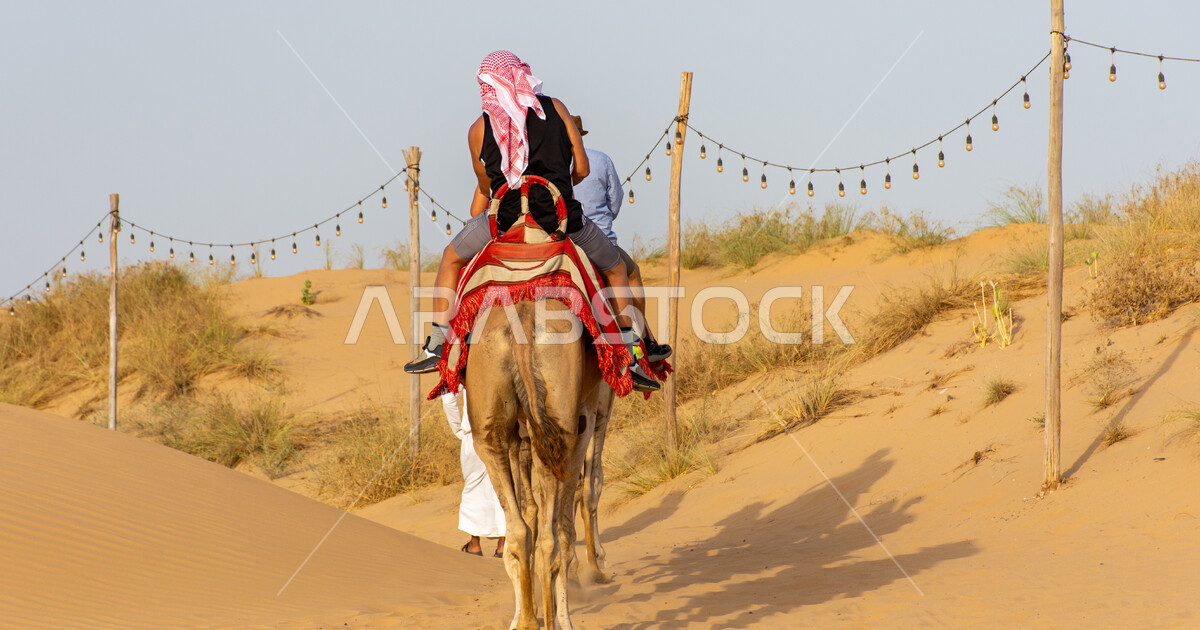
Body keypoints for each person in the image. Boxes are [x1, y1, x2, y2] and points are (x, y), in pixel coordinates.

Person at [404, 50, 658, 392]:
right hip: (562, 222)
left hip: (503, 226)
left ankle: (436, 344)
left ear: (487, 84)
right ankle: (631, 352)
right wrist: (558, 187)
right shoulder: (556, 108)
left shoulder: (478, 128)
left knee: (451, 259)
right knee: (615, 270)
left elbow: (484, 188)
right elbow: (581, 169)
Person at [569, 115, 671, 363]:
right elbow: (615, 204)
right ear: (581, 135)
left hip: (561, 239)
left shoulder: (549, 163)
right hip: (598, 240)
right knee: (632, 272)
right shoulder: (600, 160)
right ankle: (642, 341)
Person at [441, 387, 506, 557]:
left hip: (473, 435)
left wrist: (459, 431)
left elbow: (448, 399)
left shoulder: (465, 360)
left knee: (473, 487)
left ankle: (475, 543)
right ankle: (503, 544)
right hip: (504, 433)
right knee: (504, 486)